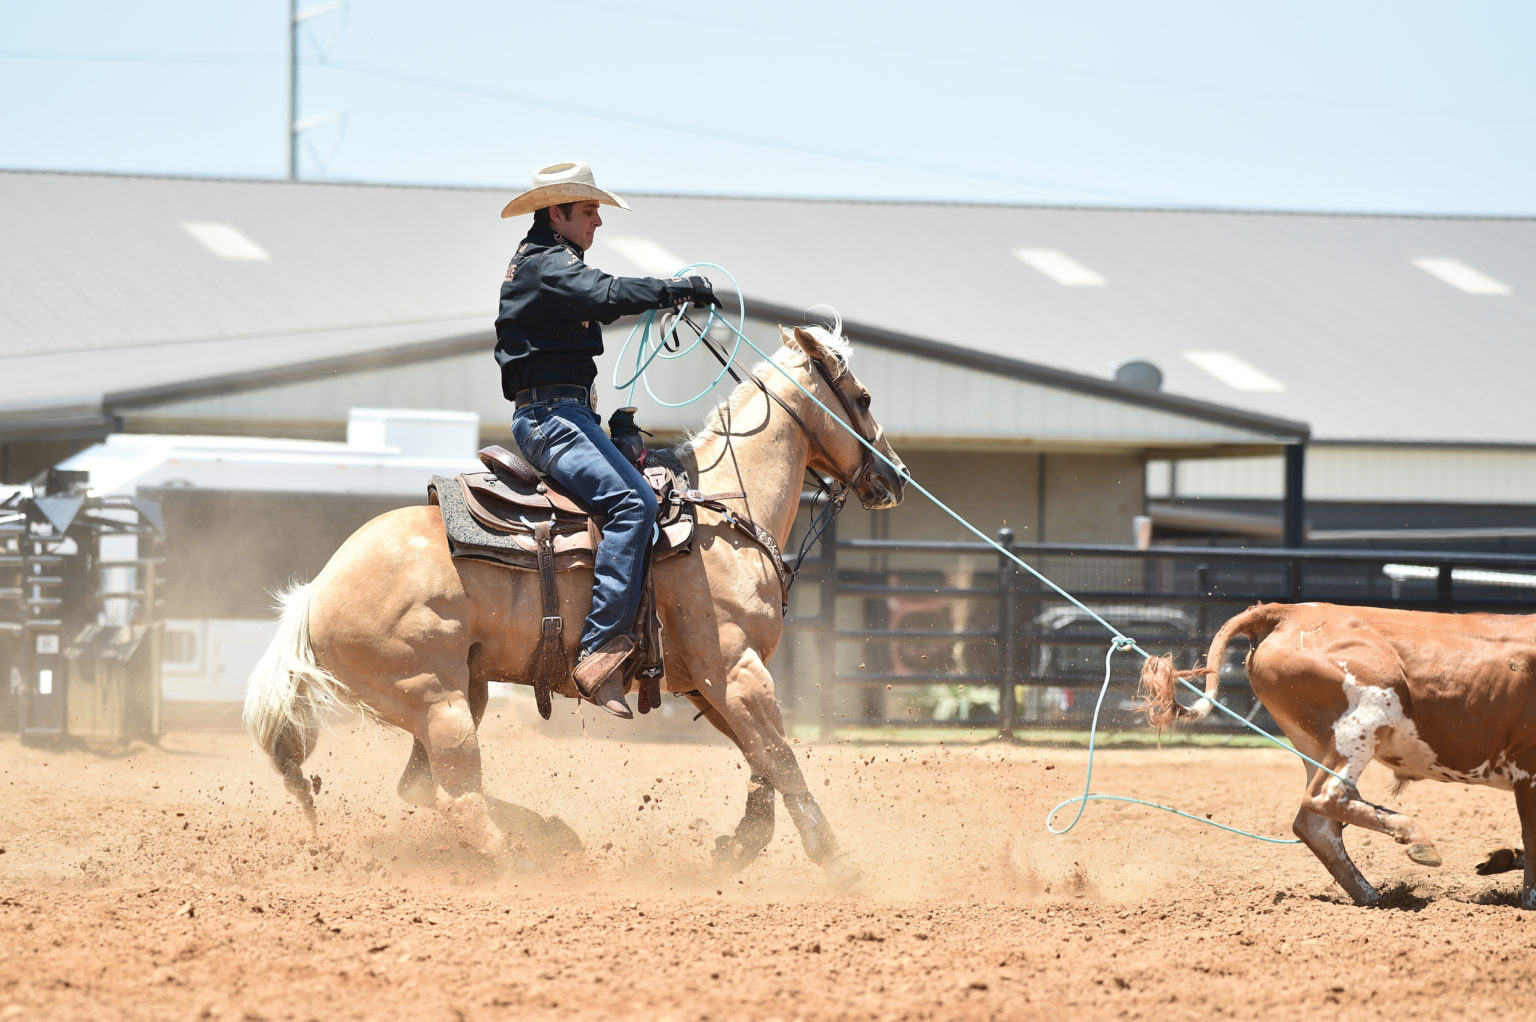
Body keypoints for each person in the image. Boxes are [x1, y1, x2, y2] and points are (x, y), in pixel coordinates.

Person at [494, 161, 720, 719]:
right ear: (558, 213)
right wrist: (674, 290)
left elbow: (600, 297)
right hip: (553, 417)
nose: (599, 222)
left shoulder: (551, 264)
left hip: (567, 413)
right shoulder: (547, 264)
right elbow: (607, 294)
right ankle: (598, 652)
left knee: (653, 479)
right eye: (590, 210)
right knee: (632, 505)